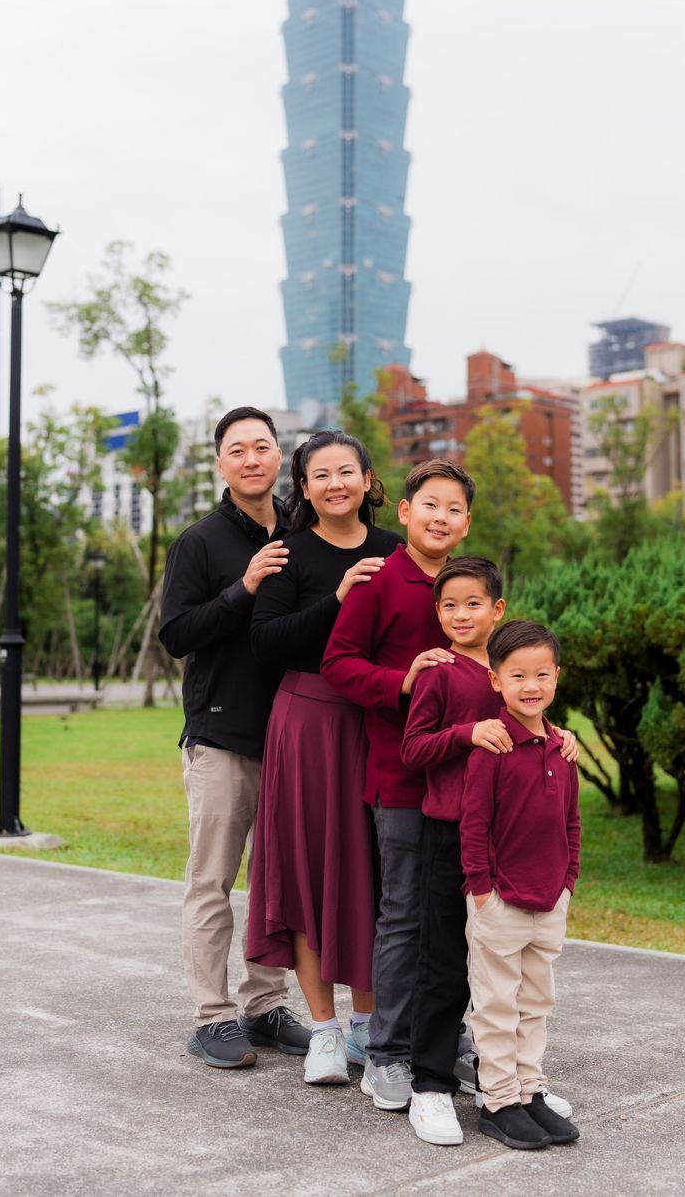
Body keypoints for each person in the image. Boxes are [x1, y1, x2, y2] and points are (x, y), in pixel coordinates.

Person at [400, 557, 575, 1146]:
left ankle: (515, 1087)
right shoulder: (440, 670)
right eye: (449, 605)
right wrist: (467, 732)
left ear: (497, 610)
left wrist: (562, 736)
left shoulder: (514, 665)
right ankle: (430, 1085)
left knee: (512, 982)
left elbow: (537, 722)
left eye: (473, 603)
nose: (461, 614)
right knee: (447, 967)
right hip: (453, 836)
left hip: (513, 846)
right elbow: (414, 749)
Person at [246, 429, 401, 1087]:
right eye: (320, 474)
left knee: (371, 875)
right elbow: (265, 644)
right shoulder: (289, 554)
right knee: (309, 875)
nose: (335, 482)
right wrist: (337, 600)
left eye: (347, 470)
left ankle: (368, 1026)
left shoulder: (396, 551)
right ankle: (325, 1032)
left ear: (369, 480)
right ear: (304, 488)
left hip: (377, 727)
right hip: (306, 727)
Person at [159, 406, 310, 1072]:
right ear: (221, 463)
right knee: (213, 880)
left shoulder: (305, 530)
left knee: (279, 884)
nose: (252, 458)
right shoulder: (200, 542)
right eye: (237, 449)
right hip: (222, 737)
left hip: (294, 736)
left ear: (280, 457)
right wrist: (243, 587)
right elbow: (176, 635)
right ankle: (212, 1017)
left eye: (263, 447)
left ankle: (266, 1006)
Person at [321, 459, 472, 1110]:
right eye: (429, 505)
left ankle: (445, 1038)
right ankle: (387, 1053)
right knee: (405, 914)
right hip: (400, 777)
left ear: (467, 524)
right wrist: (402, 681)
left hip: (465, 780)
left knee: (457, 917)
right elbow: (337, 663)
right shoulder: (382, 581)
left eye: (454, 509)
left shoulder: (470, 586)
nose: (441, 517)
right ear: (405, 512)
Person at [461, 620, 581, 1152]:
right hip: (500, 902)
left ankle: (530, 1091)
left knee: (536, 1002)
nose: (531, 686)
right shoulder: (494, 746)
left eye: (542, 674)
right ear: (496, 681)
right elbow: (473, 824)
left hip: (549, 899)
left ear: (556, 677)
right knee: (496, 1005)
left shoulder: (563, 749)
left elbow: (571, 824)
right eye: (518, 676)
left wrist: (568, 881)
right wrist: (482, 890)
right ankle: (498, 1100)